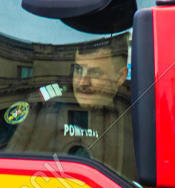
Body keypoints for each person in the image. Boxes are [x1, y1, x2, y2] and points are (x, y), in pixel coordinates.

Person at [0, 37, 134, 177]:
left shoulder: (136, 122)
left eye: (95, 73)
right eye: (78, 70)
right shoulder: (41, 110)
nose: (83, 82)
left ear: (120, 76)